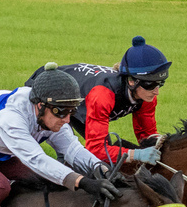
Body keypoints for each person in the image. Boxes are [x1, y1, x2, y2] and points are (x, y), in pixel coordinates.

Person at [0, 62, 121, 206]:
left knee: (39, 180)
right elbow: (37, 160)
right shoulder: (11, 119)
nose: (67, 120)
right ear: (40, 106)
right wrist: (83, 182)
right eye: (61, 112)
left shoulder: (50, 114)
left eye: (71, 111)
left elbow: (72, 149)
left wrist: (102, 168)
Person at [25, 36, 170, 165]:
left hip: (80, 101)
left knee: (104, 157)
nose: (156, 91)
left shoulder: (148, 95)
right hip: (48, 91)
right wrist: (135, 154)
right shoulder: (103, 95)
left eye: (160, 83)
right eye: (150, 84)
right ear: (132, 81)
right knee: (70, 152)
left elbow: (146, 136)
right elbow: (96, 149)